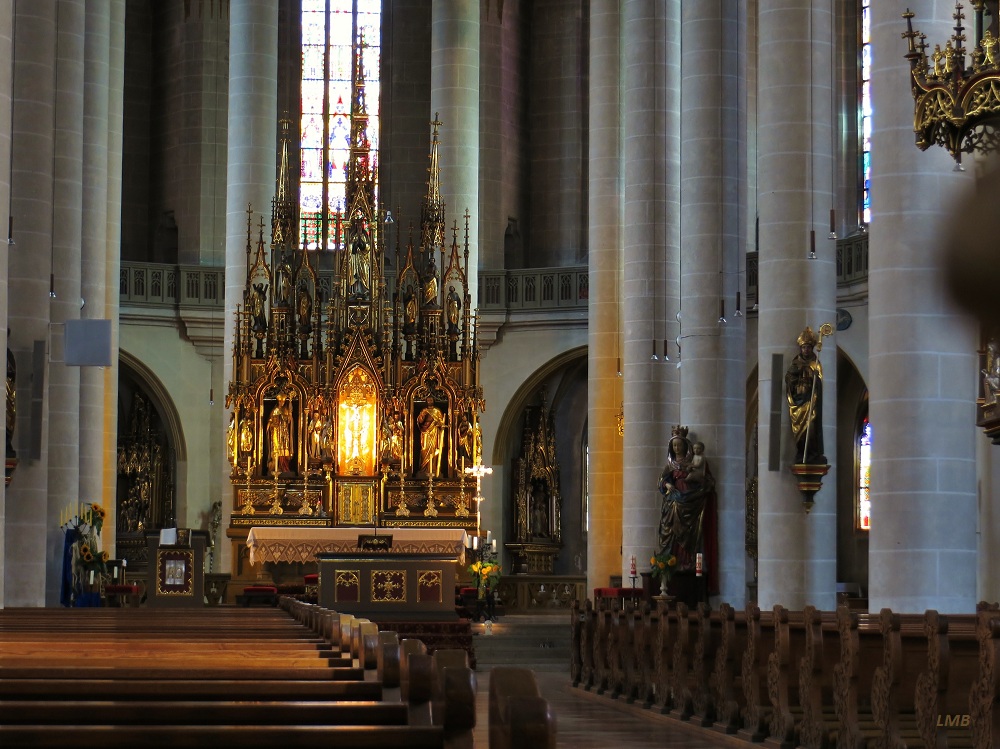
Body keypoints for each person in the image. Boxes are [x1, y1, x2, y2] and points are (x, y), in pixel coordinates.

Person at [657, 426, 713, 571]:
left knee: (687, 530)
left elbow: (705, 479)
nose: (676, 448)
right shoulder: (670, 464)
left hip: (689, 497)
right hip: (673, 497)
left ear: (685, 446)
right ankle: (670, 561)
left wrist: (696, 479)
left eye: (679, 445)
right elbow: (661, 480)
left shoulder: (692, 461)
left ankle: (687, 561)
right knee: (670, 527)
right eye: (674, 445)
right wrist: (667, 484)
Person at [784, 326, 825, 464]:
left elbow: (819, 384)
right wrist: (794, 376)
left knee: (811, 427)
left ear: (812, 348)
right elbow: (788, 380)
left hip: (810, 400)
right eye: (804, 347)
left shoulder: (816, 363)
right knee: (799, 430)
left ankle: (812, 453)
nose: (806, 350)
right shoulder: (795, 363)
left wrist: (816, 378)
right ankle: (801, 452)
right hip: (798, 401)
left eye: (808, 347)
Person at [416, 399, 447, 477]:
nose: (430, 401)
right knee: (424, 449)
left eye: (431, 400)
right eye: (428, 400)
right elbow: (420, 421)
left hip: (434, 432)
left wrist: (441, 424)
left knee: (433, 450)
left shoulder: (437, 411)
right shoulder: (424, 410)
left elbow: (440, 421)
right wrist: (422, 416)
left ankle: (433, 469)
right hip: (425, 432)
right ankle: (423, 469)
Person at [266, 392, 294, 475]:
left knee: (285, 449)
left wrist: (289, 415)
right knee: (276, 448)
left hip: (284, 432)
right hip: (276, 432)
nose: (282, 403)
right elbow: (270, 422)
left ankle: (284, 467)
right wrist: (271, 425)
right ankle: (276, 466)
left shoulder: (286, 410)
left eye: (283, 402)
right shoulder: (275, 411)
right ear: (278, 401)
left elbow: (289, 421)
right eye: (281, 401)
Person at [349, 220, 371, 298]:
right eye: (357, 225)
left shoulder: (365, 236)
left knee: (363, 274)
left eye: (360, 225)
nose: (359, 227)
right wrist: (354, 245)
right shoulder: (353, 235)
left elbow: (369, 247)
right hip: (355, 259)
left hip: (363, 259)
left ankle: (364, 291)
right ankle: (355, 291)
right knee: (355, 275)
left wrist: (362, 245)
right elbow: (349, 247)